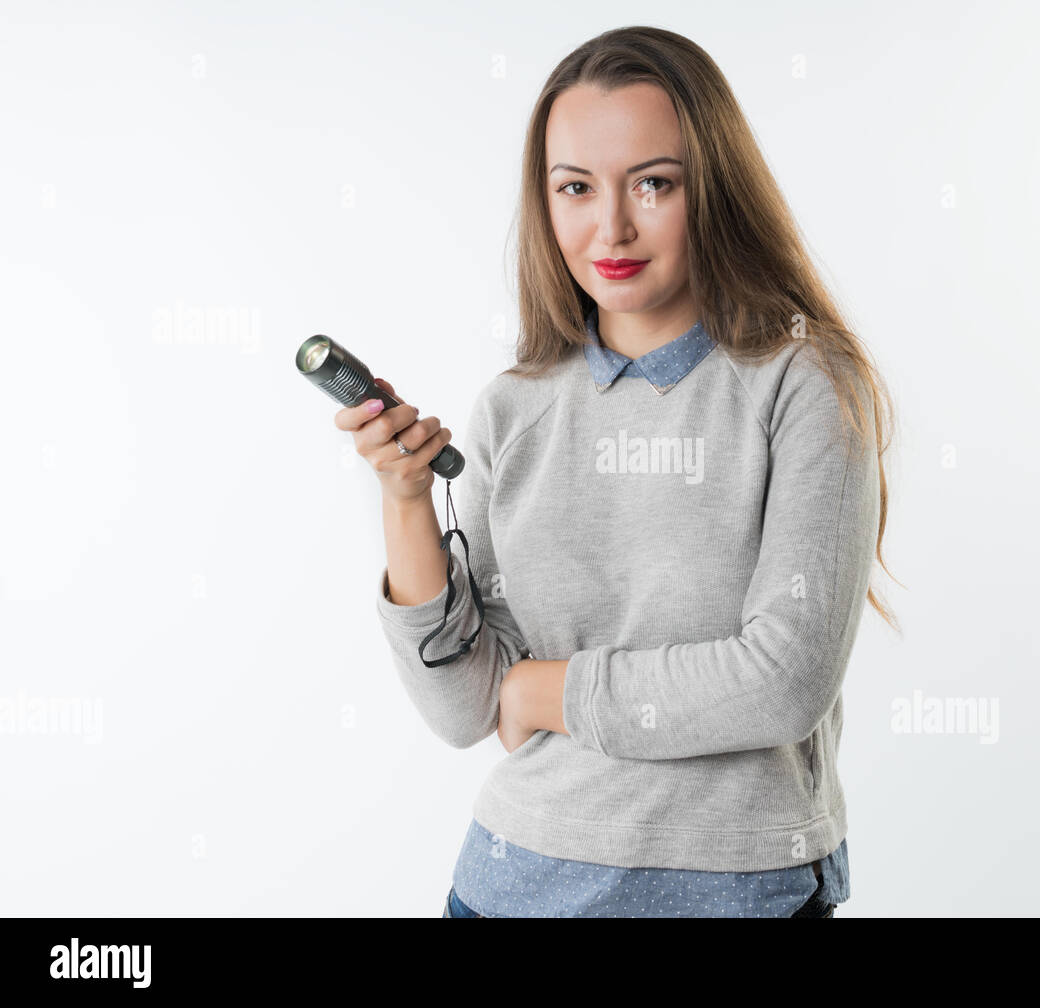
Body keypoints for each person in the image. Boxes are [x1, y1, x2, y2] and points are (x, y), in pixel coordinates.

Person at [338, 25, 898, 917]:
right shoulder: (513, 409)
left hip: (738, 892)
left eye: (653, 183)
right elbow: (461, 709)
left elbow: (784, 681)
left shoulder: (804, 383)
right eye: (575, 188)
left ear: (712, 188)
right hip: (508, 884)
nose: (612, 228)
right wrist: (406, 500)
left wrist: (543, 688)